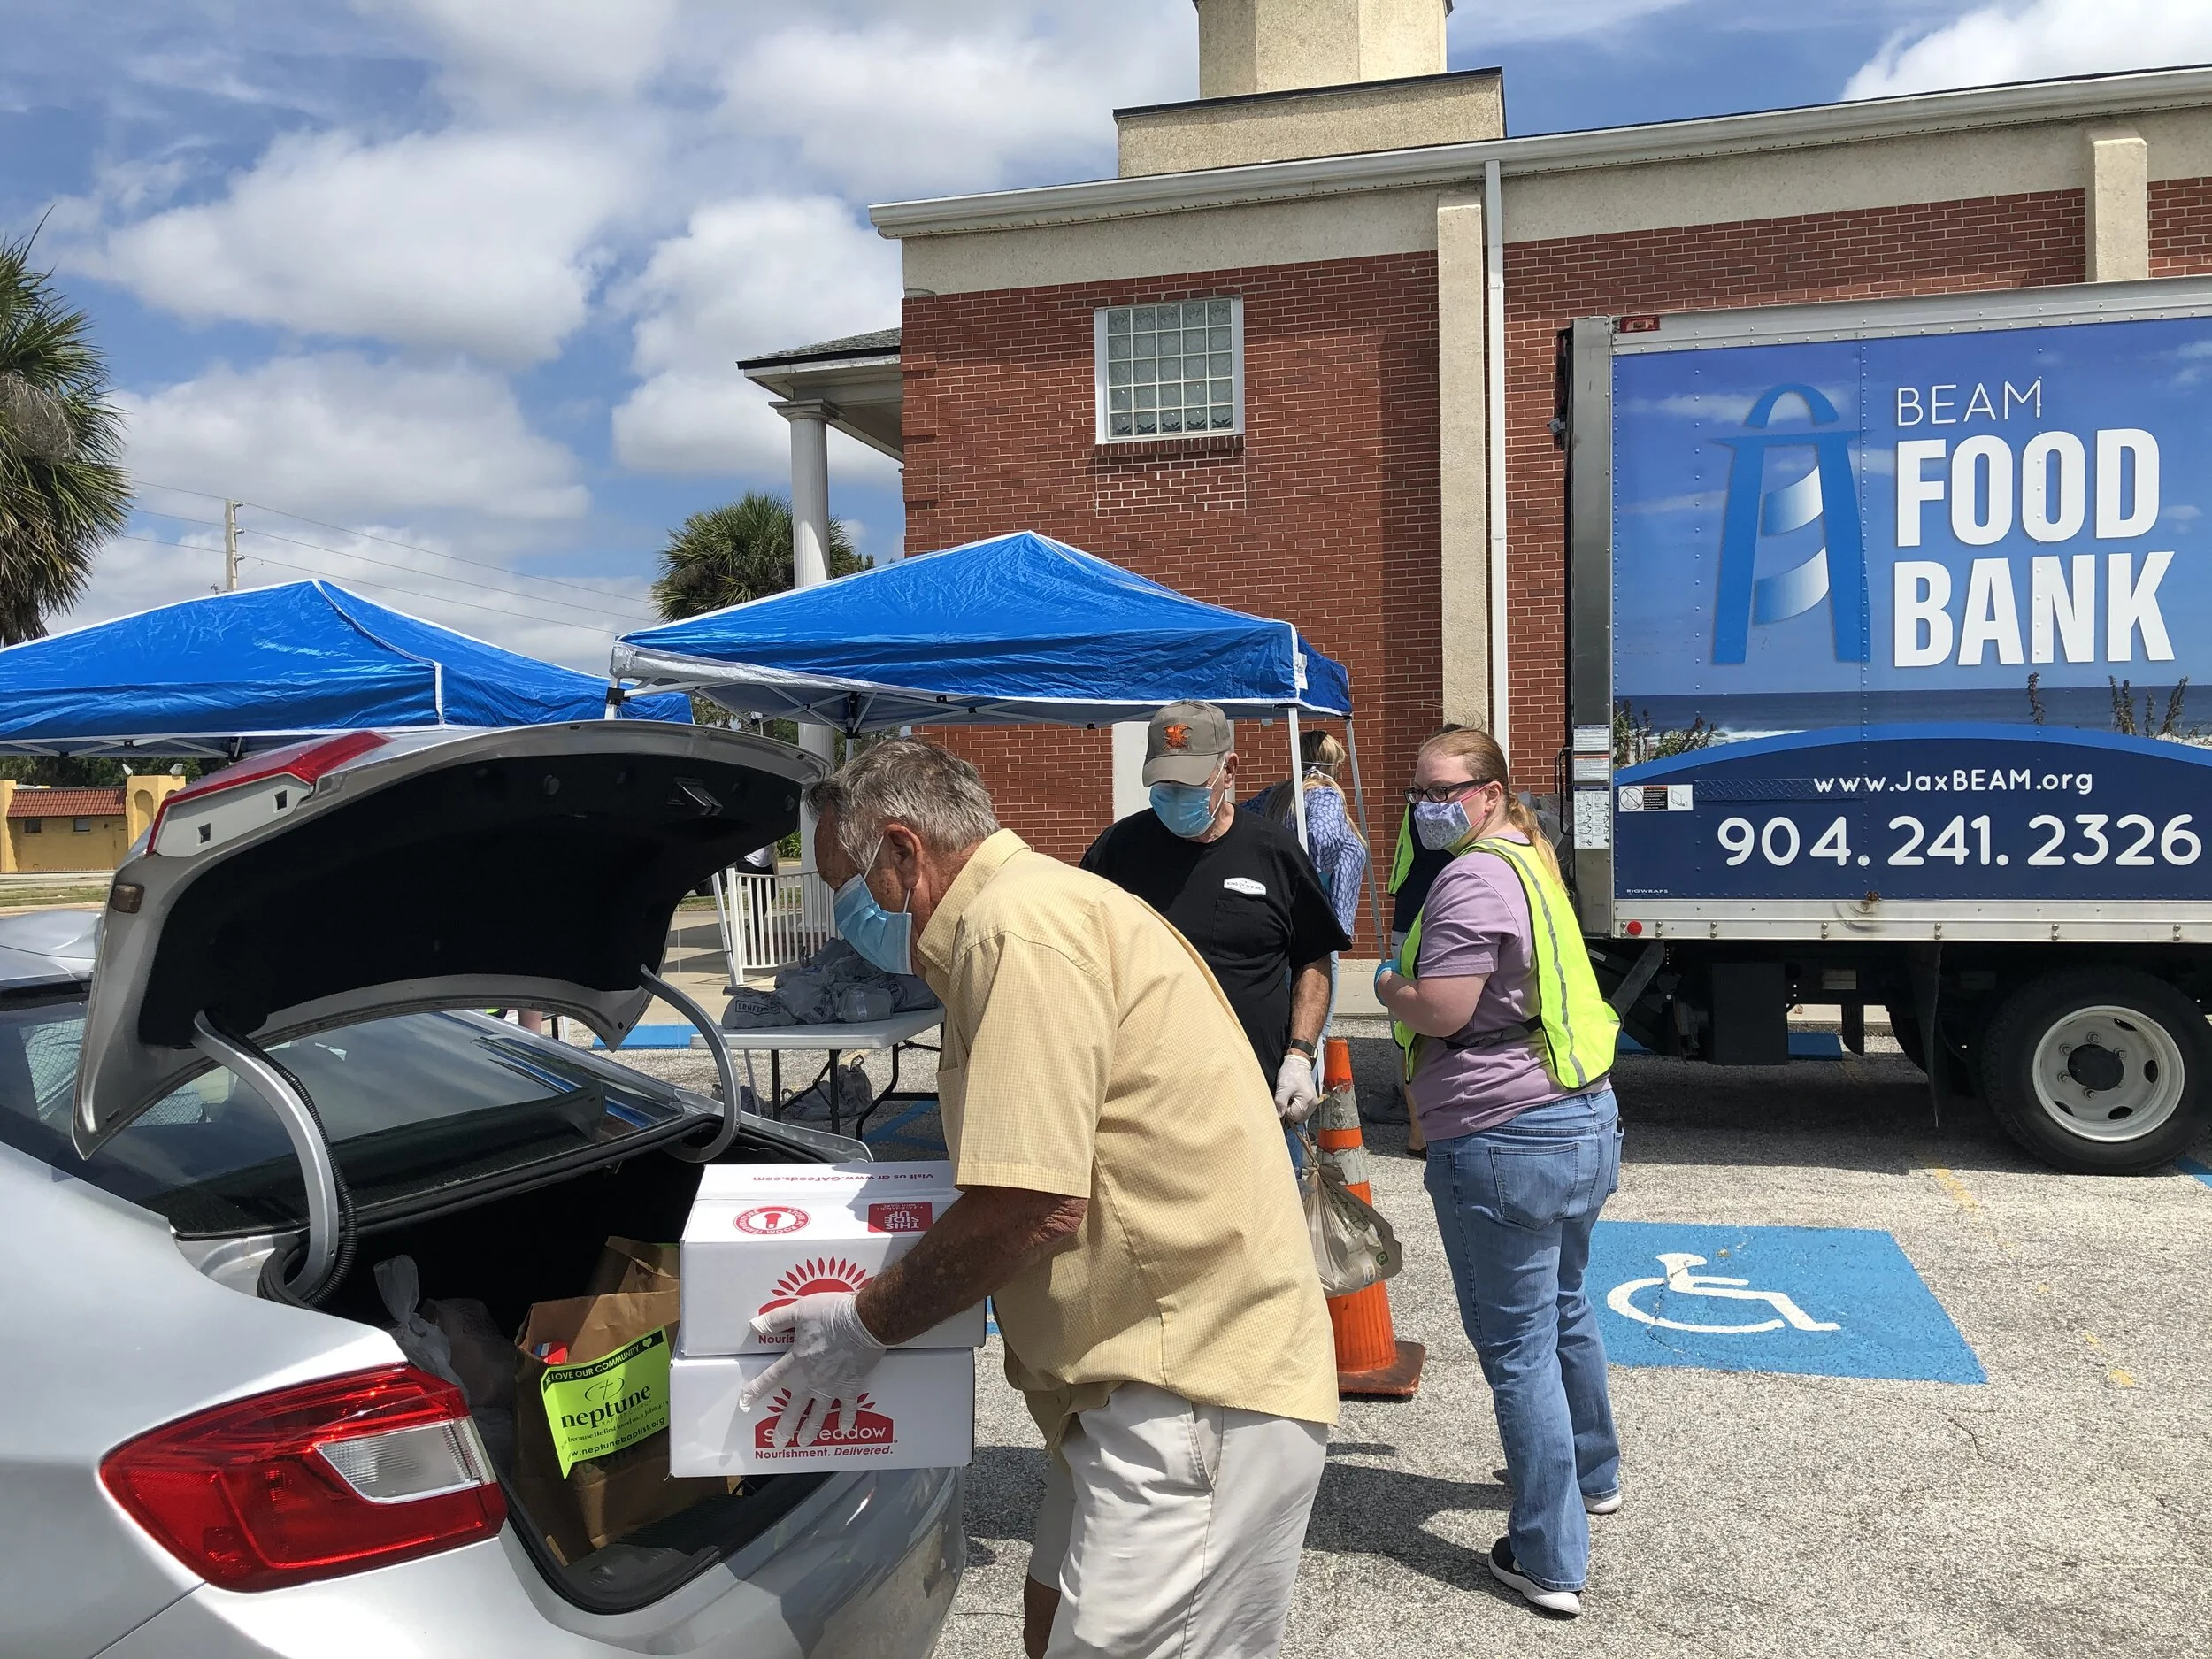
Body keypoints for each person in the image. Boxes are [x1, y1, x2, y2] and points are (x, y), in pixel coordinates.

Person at [742, 739, 1337, 1659]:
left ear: (903, 852)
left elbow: (1029, 1205)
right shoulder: (1037, 909)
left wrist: (864, 1324)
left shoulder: (1013, 935)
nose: (846, 916)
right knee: (1050, 1617)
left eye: (845, 885)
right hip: (1128, 1379)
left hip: (1190, 1386)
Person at [1371, 726, 1623, 1620]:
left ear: (1488, 791)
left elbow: (1443, 1008)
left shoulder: (1472, 875)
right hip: (1578, 1112)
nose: (1425, 806)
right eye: (1414, 791)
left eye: (1443, 789)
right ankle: (1594, 1475)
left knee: (1518, 1352)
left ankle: (1548, 1560)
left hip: (1504, 1131)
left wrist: (1391, 989)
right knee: (1564, 1308)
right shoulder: (1527, 856)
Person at [1081, 702, 1349, 1136]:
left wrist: (1300, 1055)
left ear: (1229, 770)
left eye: (1189, 783)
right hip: (1144, 1102)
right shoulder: (1118, 850)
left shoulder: (1274, 852)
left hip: (1255, 1100)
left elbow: (1314, 958)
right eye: (1164, 782)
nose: (1174, 794)